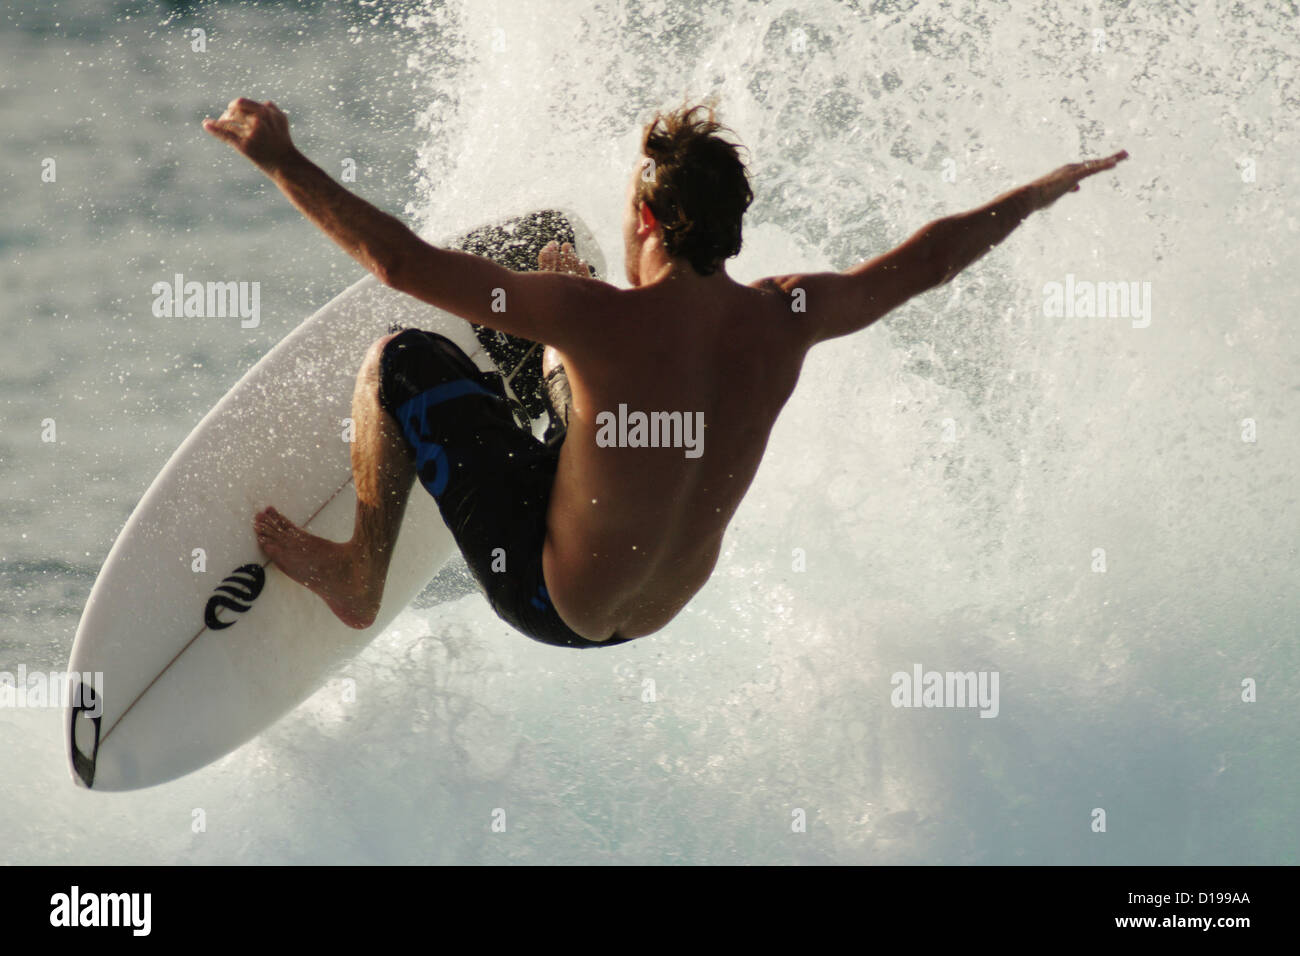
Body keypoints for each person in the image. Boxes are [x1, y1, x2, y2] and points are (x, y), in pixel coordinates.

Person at [203, 97, 1127, 648]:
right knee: (554, 273)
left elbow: (401, 266)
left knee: (403, 358)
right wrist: (1031, 196)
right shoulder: (787, 316)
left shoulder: (596, 318)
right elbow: (927, 261)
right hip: (653, 611)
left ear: (647, 221)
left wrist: (282, 160)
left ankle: (357, 570)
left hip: (546, 597)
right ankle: (541, 402)